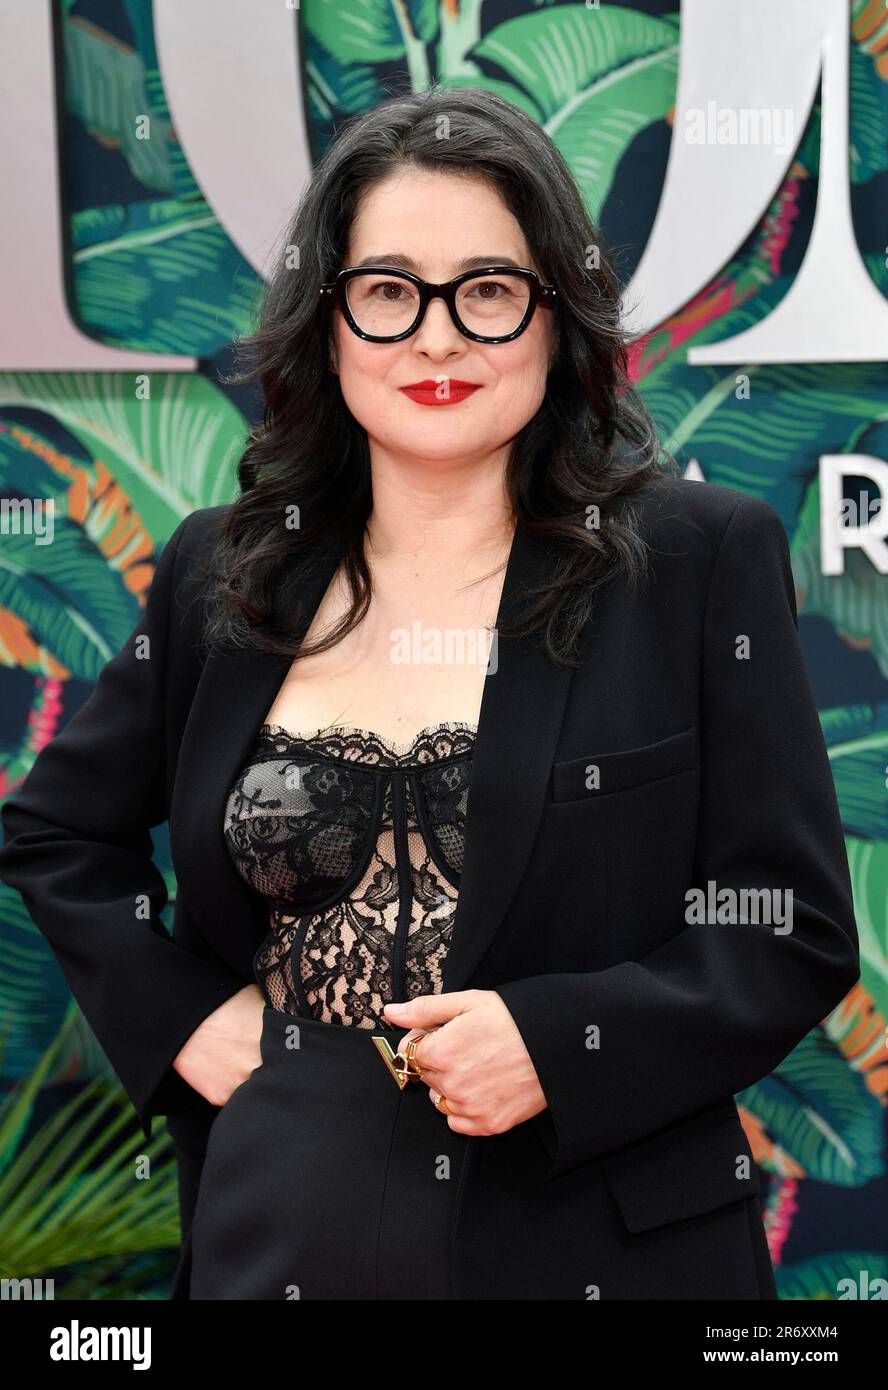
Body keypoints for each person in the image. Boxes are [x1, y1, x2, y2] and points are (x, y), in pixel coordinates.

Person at [0, 86, 859, 1301]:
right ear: (330, 318)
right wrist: (189, 1021)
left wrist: (563, 1046)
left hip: (607, 1240)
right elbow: (57, 833)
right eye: (390, 290)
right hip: (285, 1228)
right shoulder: (223, 567)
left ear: (555, 319)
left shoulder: (694, 559)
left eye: (489, 292)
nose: (437, 339)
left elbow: (791, 923)